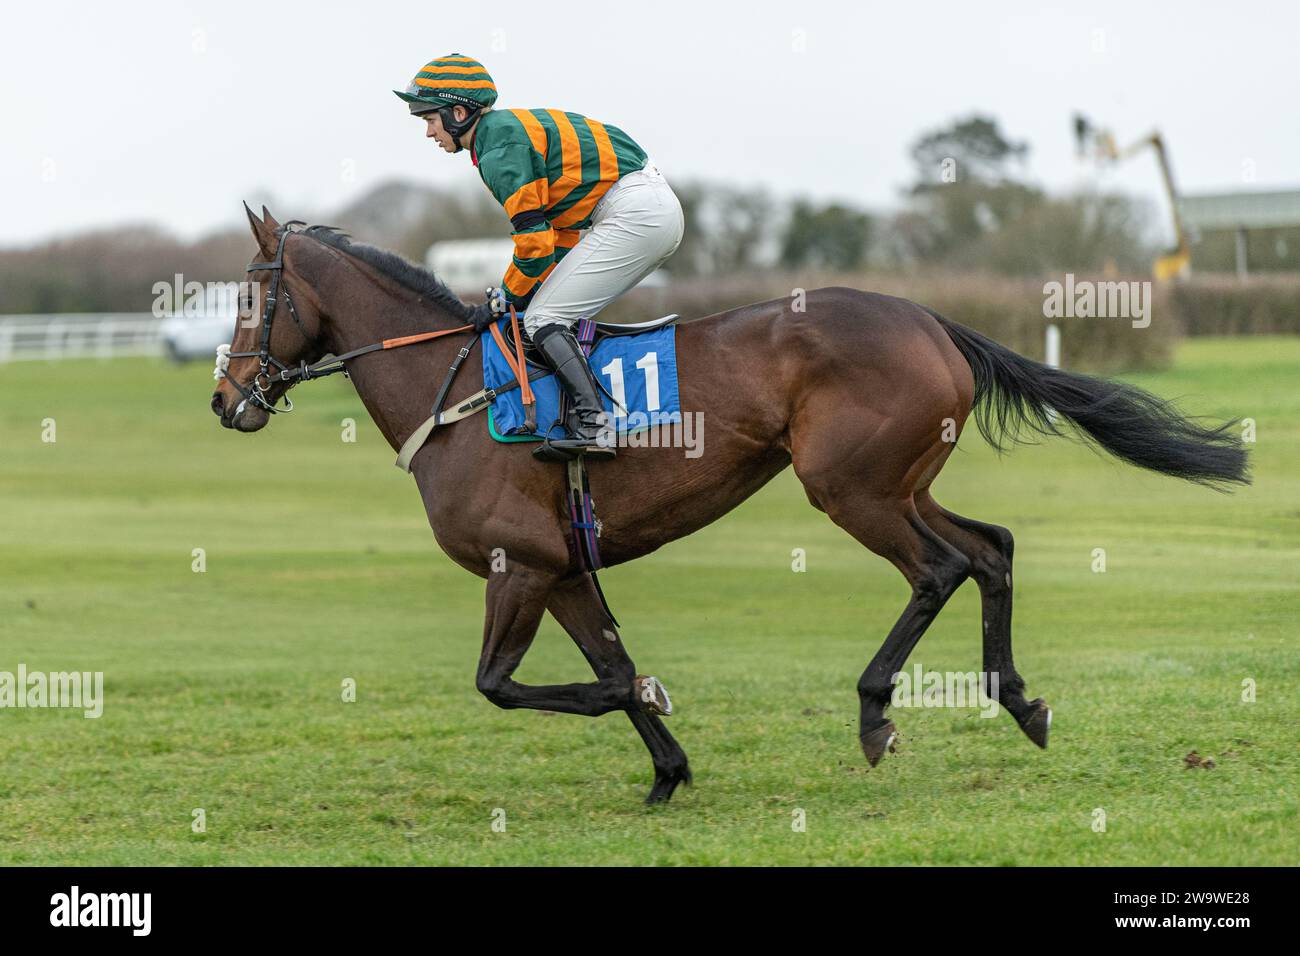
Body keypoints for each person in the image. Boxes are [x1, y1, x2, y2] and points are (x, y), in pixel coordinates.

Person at [395, 54, 684, 460]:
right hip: (644, 209)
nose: (428, 132)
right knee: (545, 310)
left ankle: (593, 426)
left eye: (429, 119)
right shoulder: (502, 133)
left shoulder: (497, 146)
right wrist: (524, 292)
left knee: (543, 318)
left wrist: (504, 299)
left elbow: (533, 245)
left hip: (636, 213)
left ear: (458, 112)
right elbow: (557, 234)